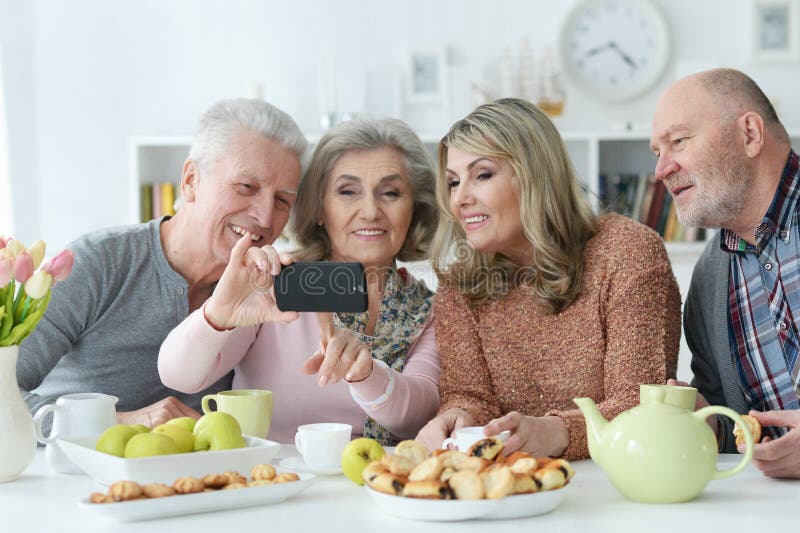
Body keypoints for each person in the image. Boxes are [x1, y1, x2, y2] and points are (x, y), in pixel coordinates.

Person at [415, 98, 681, 460]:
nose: (460, 198)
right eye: (452, 182)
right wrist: (455, 418)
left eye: (483, 175)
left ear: (535, 175)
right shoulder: (460, 284)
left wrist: (556, 432)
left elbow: (643, 404)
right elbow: (471, 396)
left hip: (617, 484)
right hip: (509, 488)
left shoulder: (626, 252)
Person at [18, 98, 306, 429]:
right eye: (246, 187)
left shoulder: (265, 291)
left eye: (283, 200)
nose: (266, 216)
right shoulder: (97, 262)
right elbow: (4, 394)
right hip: (69, 474)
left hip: (201, 478)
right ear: (190, 180)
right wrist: (117, 423)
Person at [158, 118, 440, 445]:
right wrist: (218, 313)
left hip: (377, 486)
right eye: (348, 192)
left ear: (415, 208)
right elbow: (179, 376)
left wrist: (365, 373)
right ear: (320, 208)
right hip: (275, 481)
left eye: (390, 193)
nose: (370, 211)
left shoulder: (427, 308)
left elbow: (418, 415)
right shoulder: (276, 278)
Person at [651, 68, 800, 478]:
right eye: (656, 153)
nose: (661, 170)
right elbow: (732, 430)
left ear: (750, 134)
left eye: (678, 141)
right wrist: (697, 416)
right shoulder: (709, 277)